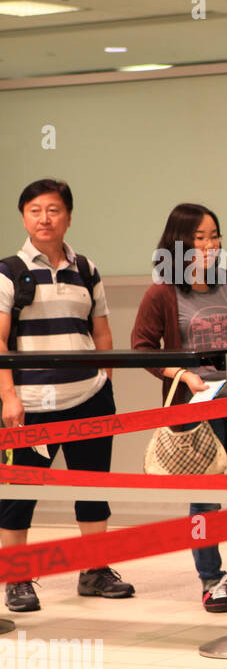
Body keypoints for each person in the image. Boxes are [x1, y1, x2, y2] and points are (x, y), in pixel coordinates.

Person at [131, 203, 227, 612]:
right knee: (207, 497)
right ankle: (212, 580)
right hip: (194, 409)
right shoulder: (162, 292)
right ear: (179, 242)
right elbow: (142, 349)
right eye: (200, 237)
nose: (211, 244)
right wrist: (182, 373)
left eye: (215, 236)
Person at [0, 178, 134, 611]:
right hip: (32, 403)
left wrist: (106, 384)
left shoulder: (87, 270)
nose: (45, 218)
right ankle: (16, 579)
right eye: (35, 209)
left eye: (53, 209)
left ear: (68, 216)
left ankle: (94, 570)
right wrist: (9, 397)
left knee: (92, 486)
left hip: (89, 396)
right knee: (20, 491)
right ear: (24, 216)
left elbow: (103, 334)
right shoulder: (7, 272)